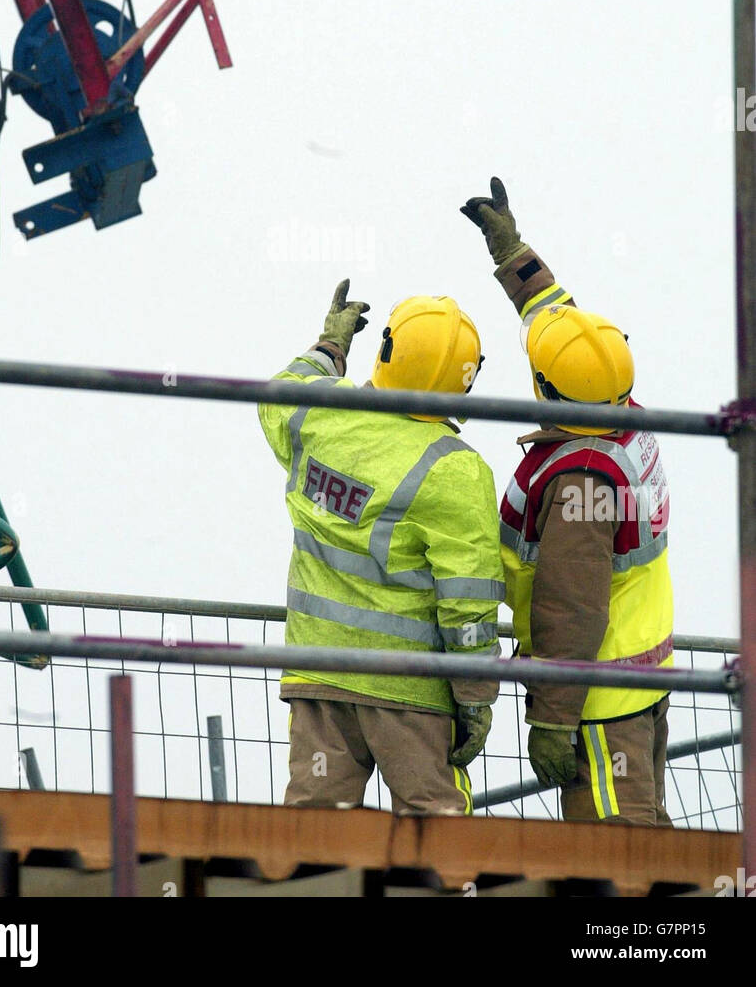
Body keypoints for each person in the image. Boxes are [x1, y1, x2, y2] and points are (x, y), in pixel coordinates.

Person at [462, 178, 674, 825]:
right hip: (637, 670)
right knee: (644, 838)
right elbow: (560, 323)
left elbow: (570, 605)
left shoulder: (579, 482)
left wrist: (552, 718)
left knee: (620, 851)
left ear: (547, 389)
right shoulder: (614, 405)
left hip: (598, 697)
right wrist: (512, 254)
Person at [258, 279, 504, 814]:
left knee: (315, 837)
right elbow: (469, 603)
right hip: (410, 696)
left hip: (318, 677)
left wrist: (329, 347)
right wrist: (476, 697)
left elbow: (278, 396)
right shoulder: (455, 468)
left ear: (387, 350)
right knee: (434, 837)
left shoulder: (322, 416)